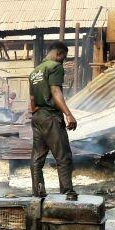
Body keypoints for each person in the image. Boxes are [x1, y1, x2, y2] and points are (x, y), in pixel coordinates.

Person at [29, 42, 78, 200]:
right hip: (50, 116)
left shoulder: (35, 71)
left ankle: (38, 192)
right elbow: (55, 91)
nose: (63, 60)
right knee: (63, 155)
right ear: (59, 53)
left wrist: (36, 111)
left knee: (37, 157)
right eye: (63, 57)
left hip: (37, 117)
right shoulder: (55, 67)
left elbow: (32, 100)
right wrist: (68, 114)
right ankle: (68, 192)